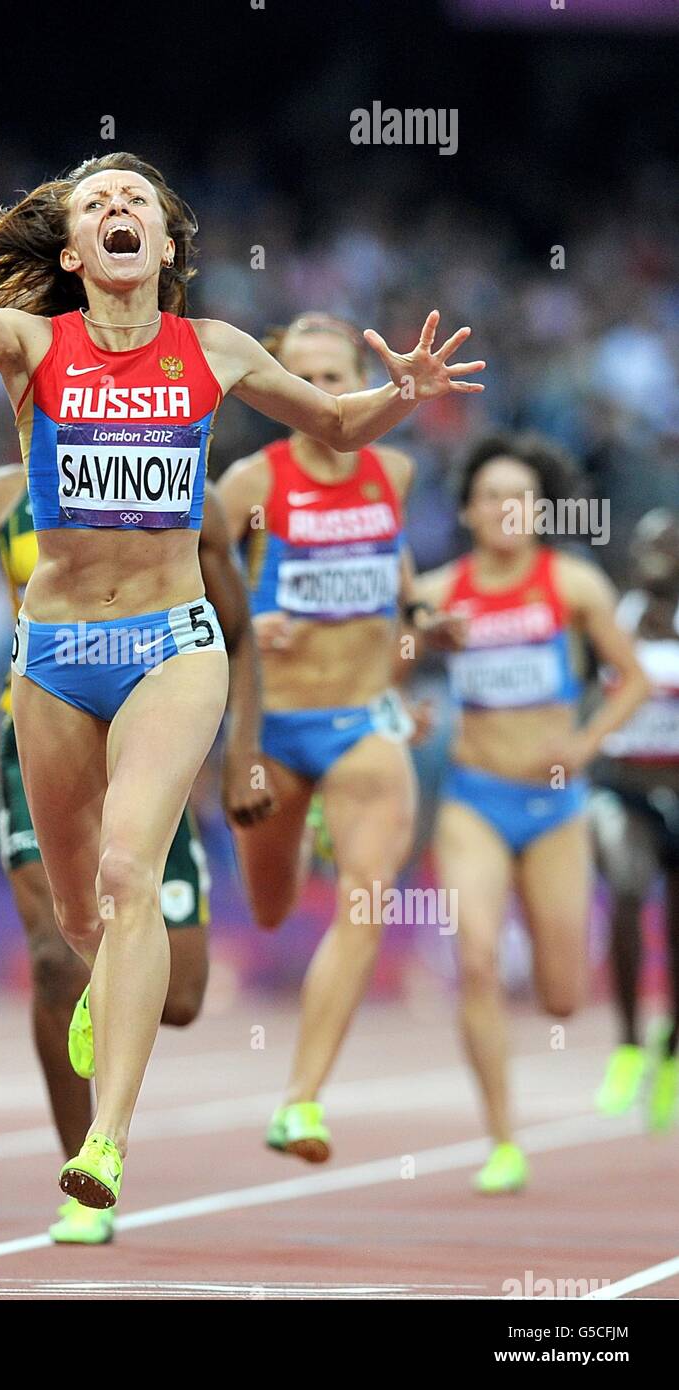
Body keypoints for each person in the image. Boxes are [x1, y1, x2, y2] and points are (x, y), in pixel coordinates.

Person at [0, 118, 483, 1207]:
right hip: (55, 654)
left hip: (172, 641)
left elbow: (339, 427)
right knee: (76, 919)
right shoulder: (32, 348)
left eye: (136, 201)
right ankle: (96, 981)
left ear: (164, 244)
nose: (117, 208)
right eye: (95, 202)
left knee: (128, 877)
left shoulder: (214, 348)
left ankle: (105, 1138)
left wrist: (404, 390)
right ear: (70, 251)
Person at [0, 467, 268, 1240]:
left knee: (180, 996)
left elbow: (233, 629)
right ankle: (86, 1175)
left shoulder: (175, 485)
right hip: (40, 731)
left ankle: (104, 988)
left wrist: (242, 754)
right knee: (51, 957)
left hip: (150, 727)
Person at [217, 312, 464, 1162]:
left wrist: (430, 620)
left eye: (333, 377)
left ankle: (301, 1101)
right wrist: (252, 620)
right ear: (276, 390)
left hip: (363, 724)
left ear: (357, 380)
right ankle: (304, 826)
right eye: (303, 379)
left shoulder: (390, 468)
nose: (320, 393)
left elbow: (398, 585)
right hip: (275, 729)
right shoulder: (251, 483)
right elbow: (183, 586)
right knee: (271, 906)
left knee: (366, 899)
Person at [414, 433, 649, 1193]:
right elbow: (380, 667)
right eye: (489, 497)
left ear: (539, 510)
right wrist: (409, 693)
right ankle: (502, 1140)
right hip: (473, 798)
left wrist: (584, 747)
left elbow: (633, 680)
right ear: (468, 511)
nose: (504, 509)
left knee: (560, 996)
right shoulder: (442, 589)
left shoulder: (572, 584)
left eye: (518, 497)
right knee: (476, 961)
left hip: (553, 805)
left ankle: (577, 988)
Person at [590, 509, 679, 1131]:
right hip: (625, 784)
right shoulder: (612, 618)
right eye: (649, 544)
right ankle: (627, 1044)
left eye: (670, 545)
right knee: (624, 885)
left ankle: (669, 1054)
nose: (659, 555)